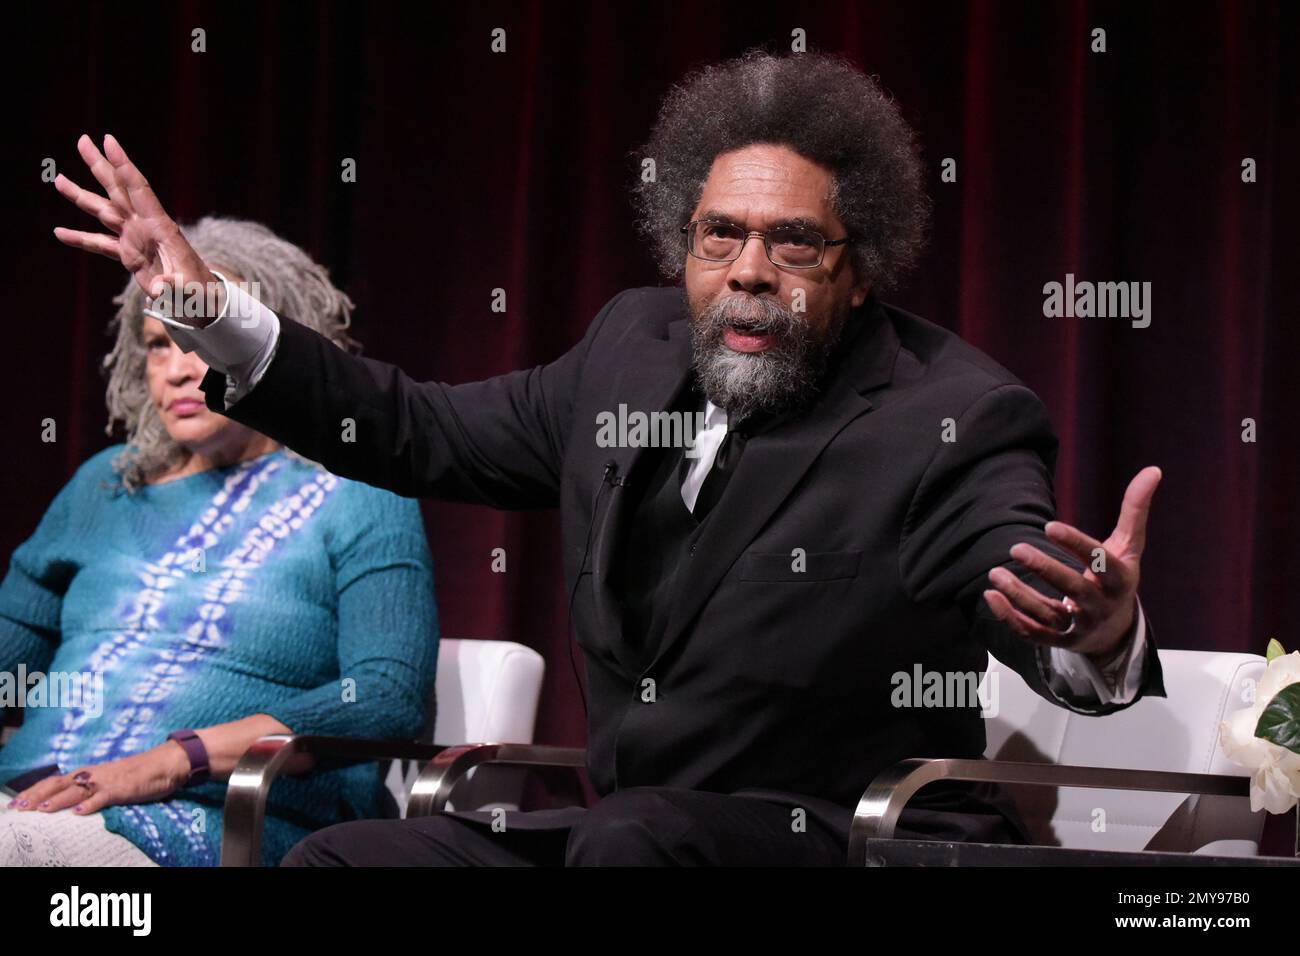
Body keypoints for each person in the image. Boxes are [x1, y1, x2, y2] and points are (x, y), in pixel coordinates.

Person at [51, 50, 1164, 866]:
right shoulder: (628, 351)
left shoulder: (953, 411)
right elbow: (411, 425)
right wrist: (207, 309)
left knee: (631, 841)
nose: (748, 270)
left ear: (861, 266)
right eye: (719, 233)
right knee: (352, 860)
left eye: (794, 242)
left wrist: (1092, 631)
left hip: (845, 836)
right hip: (626, 837)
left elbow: (1015, 562)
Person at [2, 217, 439, 866]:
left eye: (197, 338)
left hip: (217, 820)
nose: (178, 370)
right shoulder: (104, 486)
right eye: (156, 344)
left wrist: (175, 759)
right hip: (33, 803)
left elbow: (385, 697)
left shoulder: (358, 490)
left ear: (270, 343)